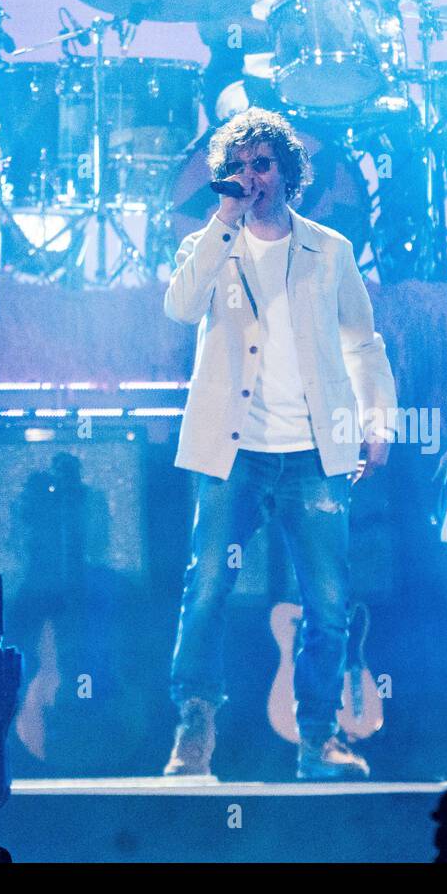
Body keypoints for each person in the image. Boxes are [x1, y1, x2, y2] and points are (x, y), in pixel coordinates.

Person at [163, 108, 397, 779]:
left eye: (261, 165)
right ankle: (195, 726)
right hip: (233, 451)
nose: (249, 178)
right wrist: (220, 226)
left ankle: (318, 736)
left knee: (327, 601)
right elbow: (180, 308)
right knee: (205, 586)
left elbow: (363, 342)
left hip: (314, 452)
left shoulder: (330, 250)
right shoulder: (209, 245)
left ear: (288, 173)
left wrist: (378, 418)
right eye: (235, 168)